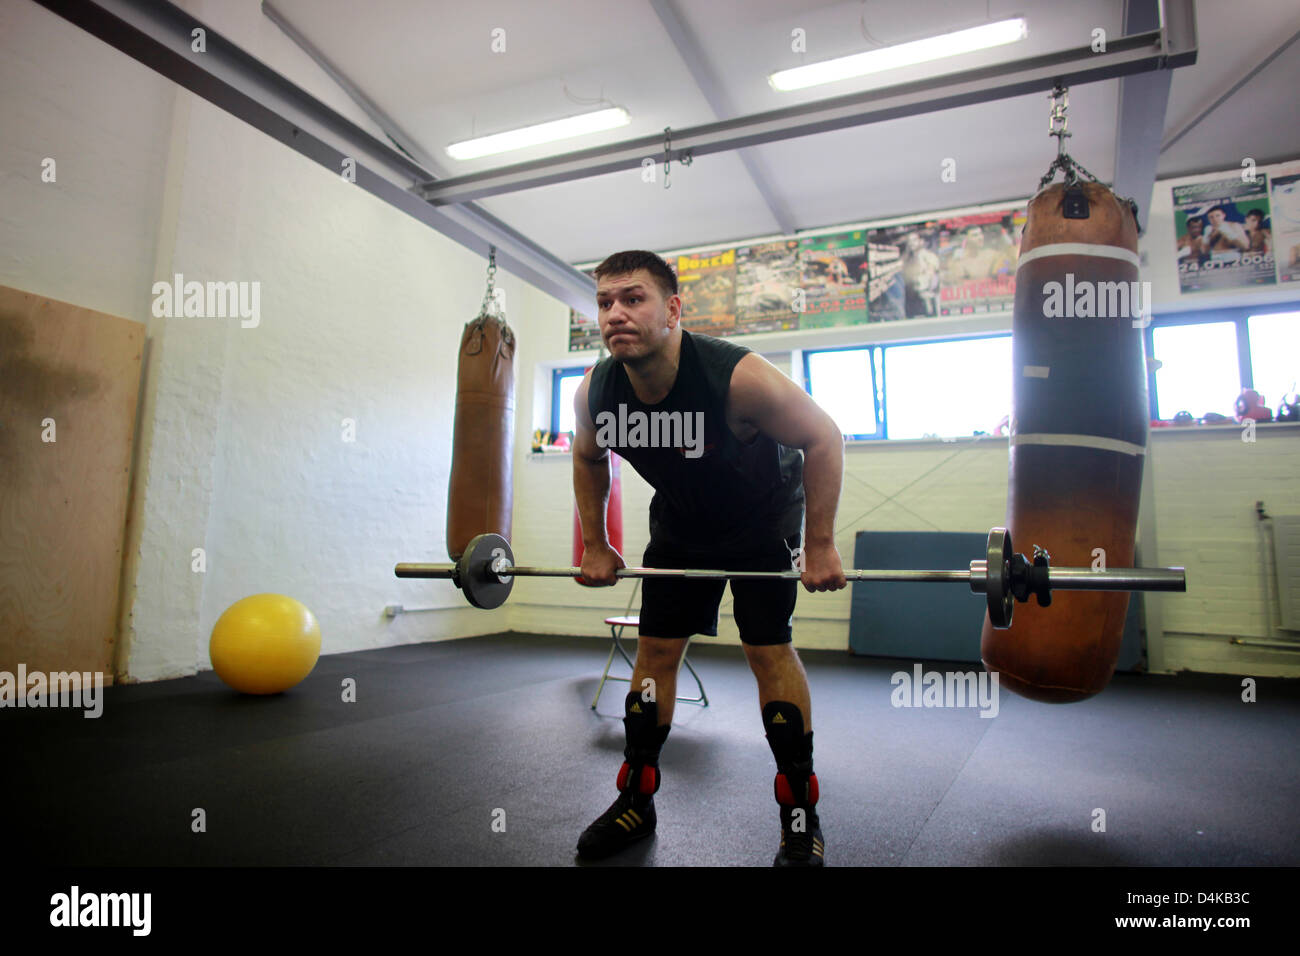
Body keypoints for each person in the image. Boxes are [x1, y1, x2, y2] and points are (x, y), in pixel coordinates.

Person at [571, 250, 847, 866]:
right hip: (681, 524)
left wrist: (821, 544)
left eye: (633, 298)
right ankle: (635, 801)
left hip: (762, 523)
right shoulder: (598, 390)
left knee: (767, 650)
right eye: (605, 302)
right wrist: (594, 542)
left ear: (672, 309)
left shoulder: (737, 377)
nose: (615, 313)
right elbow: (589, 459)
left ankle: (799, 815)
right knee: (656, 653)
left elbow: (824, 437)